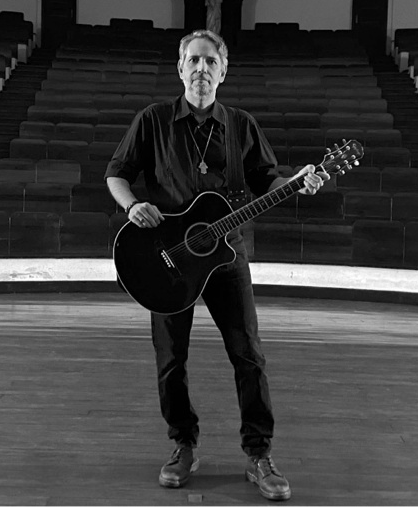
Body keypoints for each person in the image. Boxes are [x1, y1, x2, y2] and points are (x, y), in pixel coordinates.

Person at [105, 29, 330, 501]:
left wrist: (296, 182)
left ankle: (259, 453)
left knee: (249, 357)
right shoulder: (153, 120)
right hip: (166, 259)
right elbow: (117, 173)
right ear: (180, 68)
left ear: (223, 71)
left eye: (211, 62)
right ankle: (183, 445)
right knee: (171, 361)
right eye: (194, 60)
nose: (202, 69)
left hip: (226, 258)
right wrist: (131, 206)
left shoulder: (242, 125)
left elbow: (268, 179)